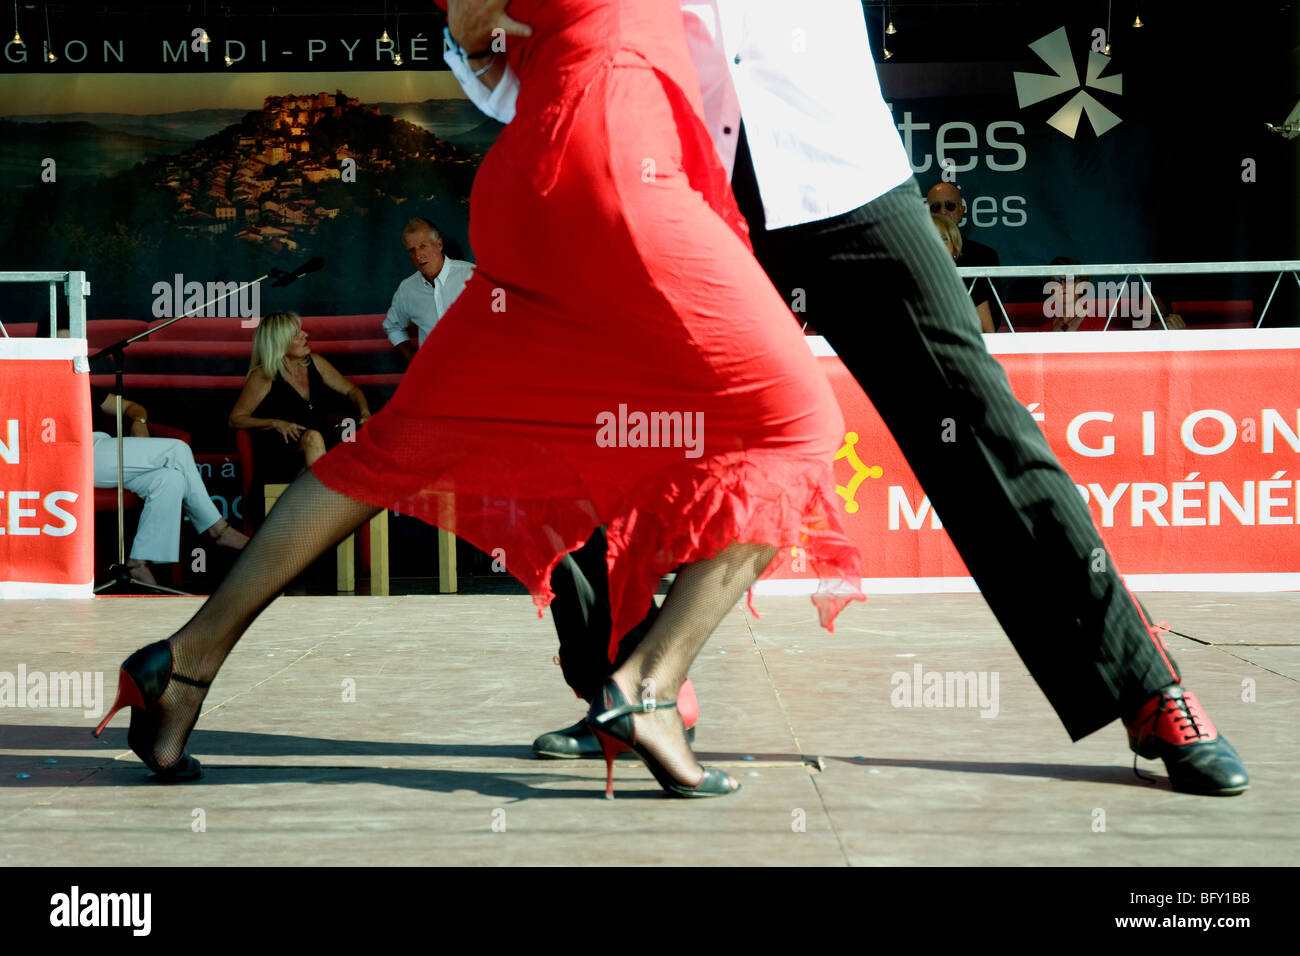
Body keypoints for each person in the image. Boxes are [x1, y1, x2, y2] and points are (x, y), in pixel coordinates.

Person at [93, 0, 864, 800]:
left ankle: (185, 661)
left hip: (548, 178)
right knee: (797, 428)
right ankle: (647, 690)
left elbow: (482, 42)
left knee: (394, 447)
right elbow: (472, 26)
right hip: (615, 162)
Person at [521, 0, 1247, 796]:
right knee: (597, 422)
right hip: (682, 186)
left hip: (841, 174)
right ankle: (627, 687)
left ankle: (1144, 691)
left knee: (981, 428)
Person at [91, 388, 248, 585]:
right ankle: (219, 530)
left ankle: (138, 563)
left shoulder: (81, 385)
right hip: (77, 452)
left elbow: (131, 407)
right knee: (177, 449)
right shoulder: (51, 386)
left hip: (103, 449)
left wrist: (139, 422)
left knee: (170, 479)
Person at [229, 310, 372, 490]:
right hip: (283, 454)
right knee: (314, 438)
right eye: (297, 335)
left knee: (346, 437)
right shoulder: (263, 376)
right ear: (280, 343)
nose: (305, 335)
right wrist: (275, 423)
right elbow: (235, 419)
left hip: (320, 446)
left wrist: (365, 413)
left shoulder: (315, 362)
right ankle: (324, 511)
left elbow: (352, 390)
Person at [382, 218, 475, 367]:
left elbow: (501, 315)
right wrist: (413, 361)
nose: (418, 255)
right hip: (433, 377)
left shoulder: (472, 276)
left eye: (423, 246)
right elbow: (392, 326)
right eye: (411, 250)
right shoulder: (407, 289)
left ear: (439, 244)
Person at [927, 182, 1001, 333]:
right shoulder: (911, 259)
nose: (943, 211)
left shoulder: (984, 256)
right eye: (935, 207)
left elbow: (990, 326)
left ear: (961, 211)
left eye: (950, 206)